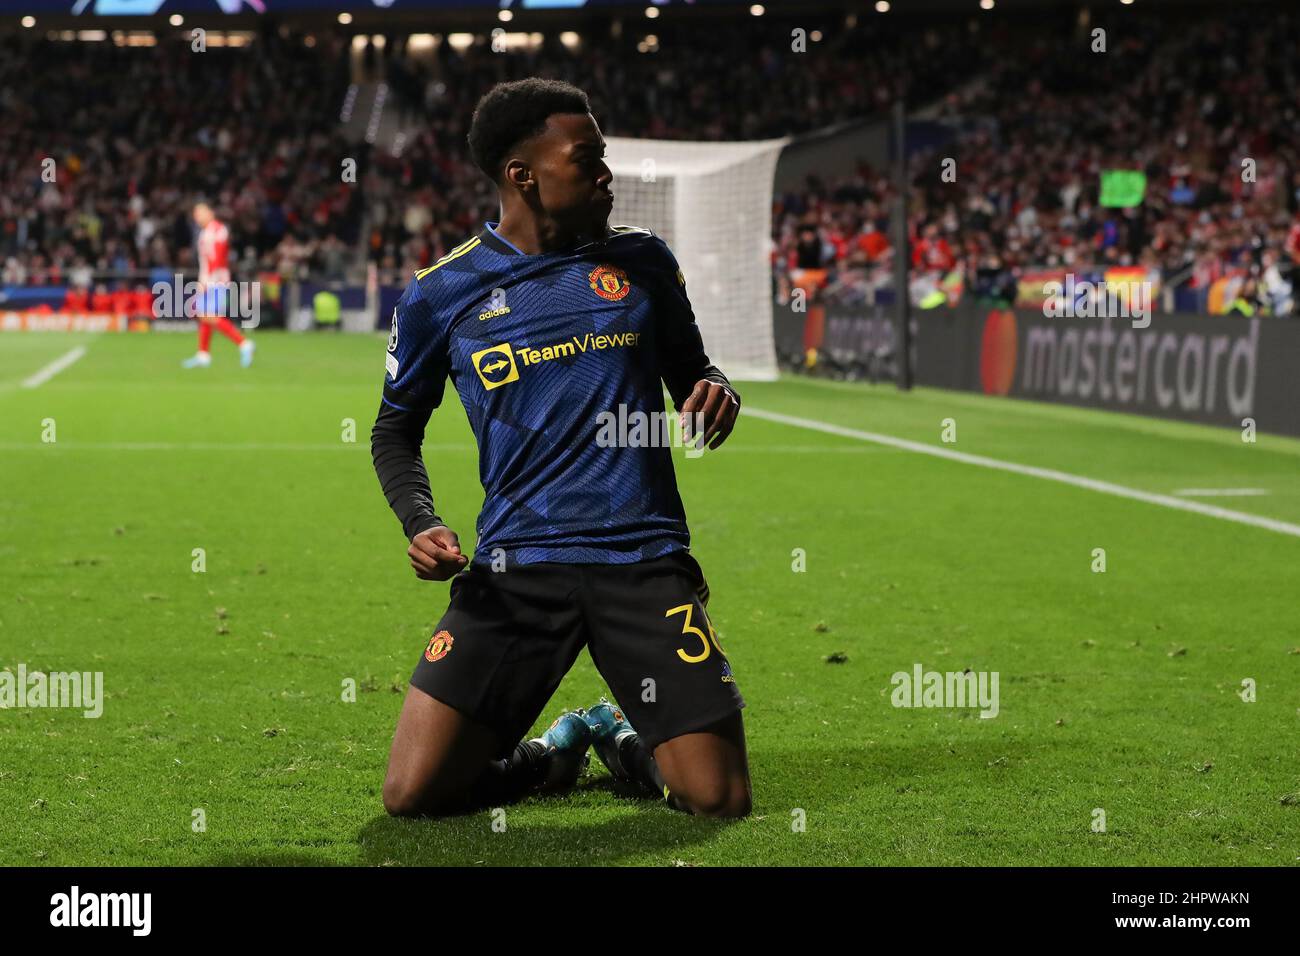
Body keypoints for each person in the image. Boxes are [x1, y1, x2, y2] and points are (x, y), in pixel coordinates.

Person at [371, 78, 750, 818]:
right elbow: (394, 428)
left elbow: (693, 370)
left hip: (641, 562)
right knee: (412, 795)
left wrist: (714, 387)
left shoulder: (642, 261)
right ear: (523, 175)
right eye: (589, 159)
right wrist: (420, 521)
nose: (607, 174)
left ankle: (624, 742)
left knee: (719, 798)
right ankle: (550, 758)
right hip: (518, 569)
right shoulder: (441, 294)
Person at [182, 203, 255, 368]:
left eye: (200, 213)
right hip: (208, 279)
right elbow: (206, 262)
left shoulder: (219, 230)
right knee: (205, 315)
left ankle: (244, 343)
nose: (197, 217)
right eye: (195, 214)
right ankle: (203, 355)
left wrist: (208, 281)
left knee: (207, 315)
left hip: (217, 280)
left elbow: (218, 259)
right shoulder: (204, 233)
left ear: (210, 212)